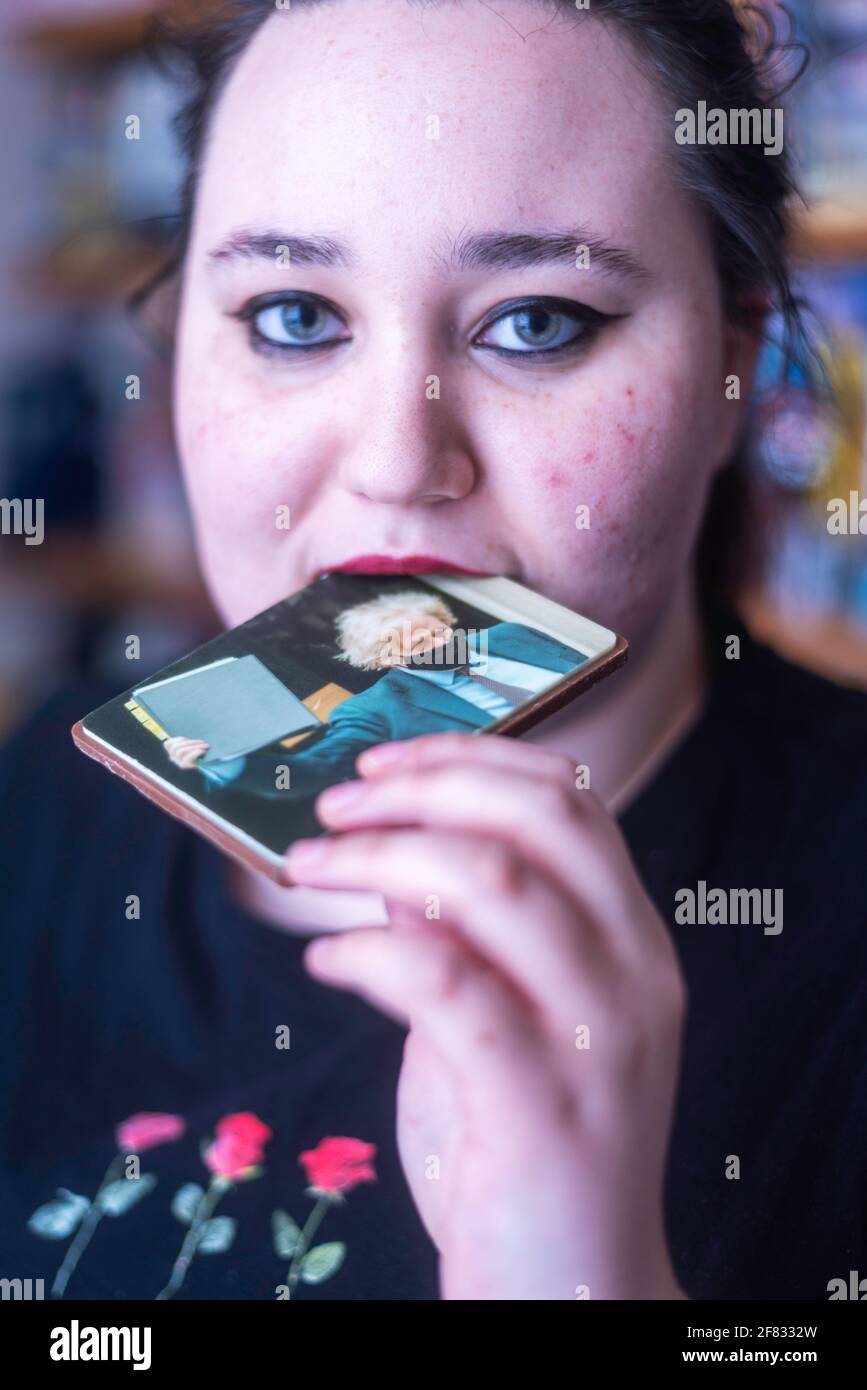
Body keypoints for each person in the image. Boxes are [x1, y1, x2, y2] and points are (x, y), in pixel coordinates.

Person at [1, 0, 866, 1303]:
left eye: (536, 322)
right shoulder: (45, 790)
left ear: (732, 370)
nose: (398, 463)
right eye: (295, 315)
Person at [163, 590, 585, 797]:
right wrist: (228, 762)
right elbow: (313, 769)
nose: (434, 644)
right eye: (412, 644)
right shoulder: (373, 709)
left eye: (434, 631)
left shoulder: (510, 634)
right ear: (382, 660)